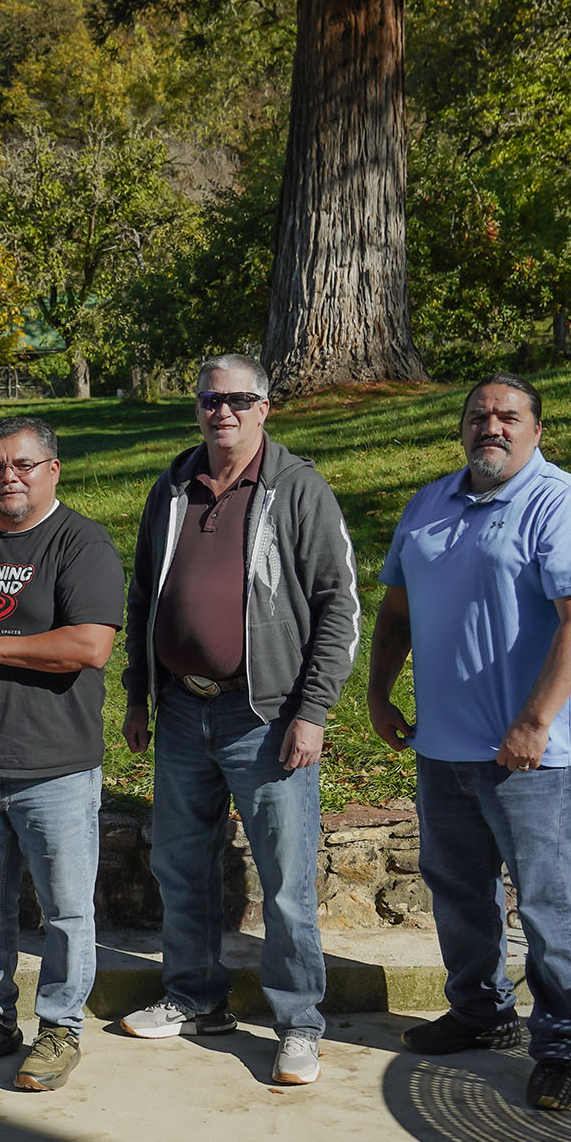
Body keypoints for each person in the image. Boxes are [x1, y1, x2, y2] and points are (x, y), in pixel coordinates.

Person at [367, 372, 571, 1112]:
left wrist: (535, 722)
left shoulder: (562, 504)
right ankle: (482, 1013)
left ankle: (565, 1040)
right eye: (478, 416)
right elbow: (397, 613)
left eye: (508, 416)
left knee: (544, 903)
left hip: (530, 758)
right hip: (444, 748)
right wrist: (379, 692)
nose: (491, 428)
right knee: (459, 891)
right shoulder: (428, 504)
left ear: (537, 430)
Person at [119, 353, 360, 1088]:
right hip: (182, 708)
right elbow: (142, 597)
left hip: (266, 715)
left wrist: (312, 711)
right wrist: (138, 692)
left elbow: (338, 605)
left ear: (264, 409)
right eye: (209, 401)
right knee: (180, 864)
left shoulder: (298, 489)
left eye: (237, 400)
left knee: (285, 878)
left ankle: (297, 1026)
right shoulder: (173, 486)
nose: (221, 413)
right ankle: (196, 999)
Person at [0, 416, 122, 1091]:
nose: (8, 478)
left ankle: (61, 1028)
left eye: (24, 465)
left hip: (55, 765)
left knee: (66, 910)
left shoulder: (80, 543)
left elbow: (90, 646)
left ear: (53, 469)